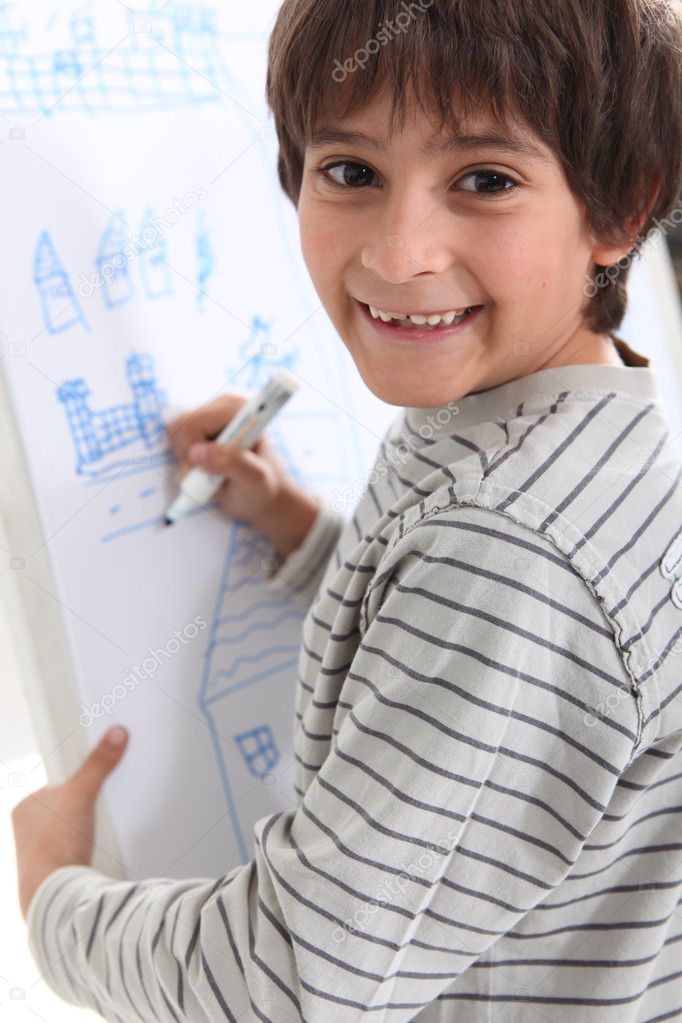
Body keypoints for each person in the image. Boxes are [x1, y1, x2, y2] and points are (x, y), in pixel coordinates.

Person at [13, 0, 682, 1018]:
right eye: (351, 172)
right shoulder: (568, 438)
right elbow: (472, 669)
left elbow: (293, 981)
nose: (399, 252)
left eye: (485, 180)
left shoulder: (508, 559)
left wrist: (55, 899)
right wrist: (307, 536)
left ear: (619, 208)